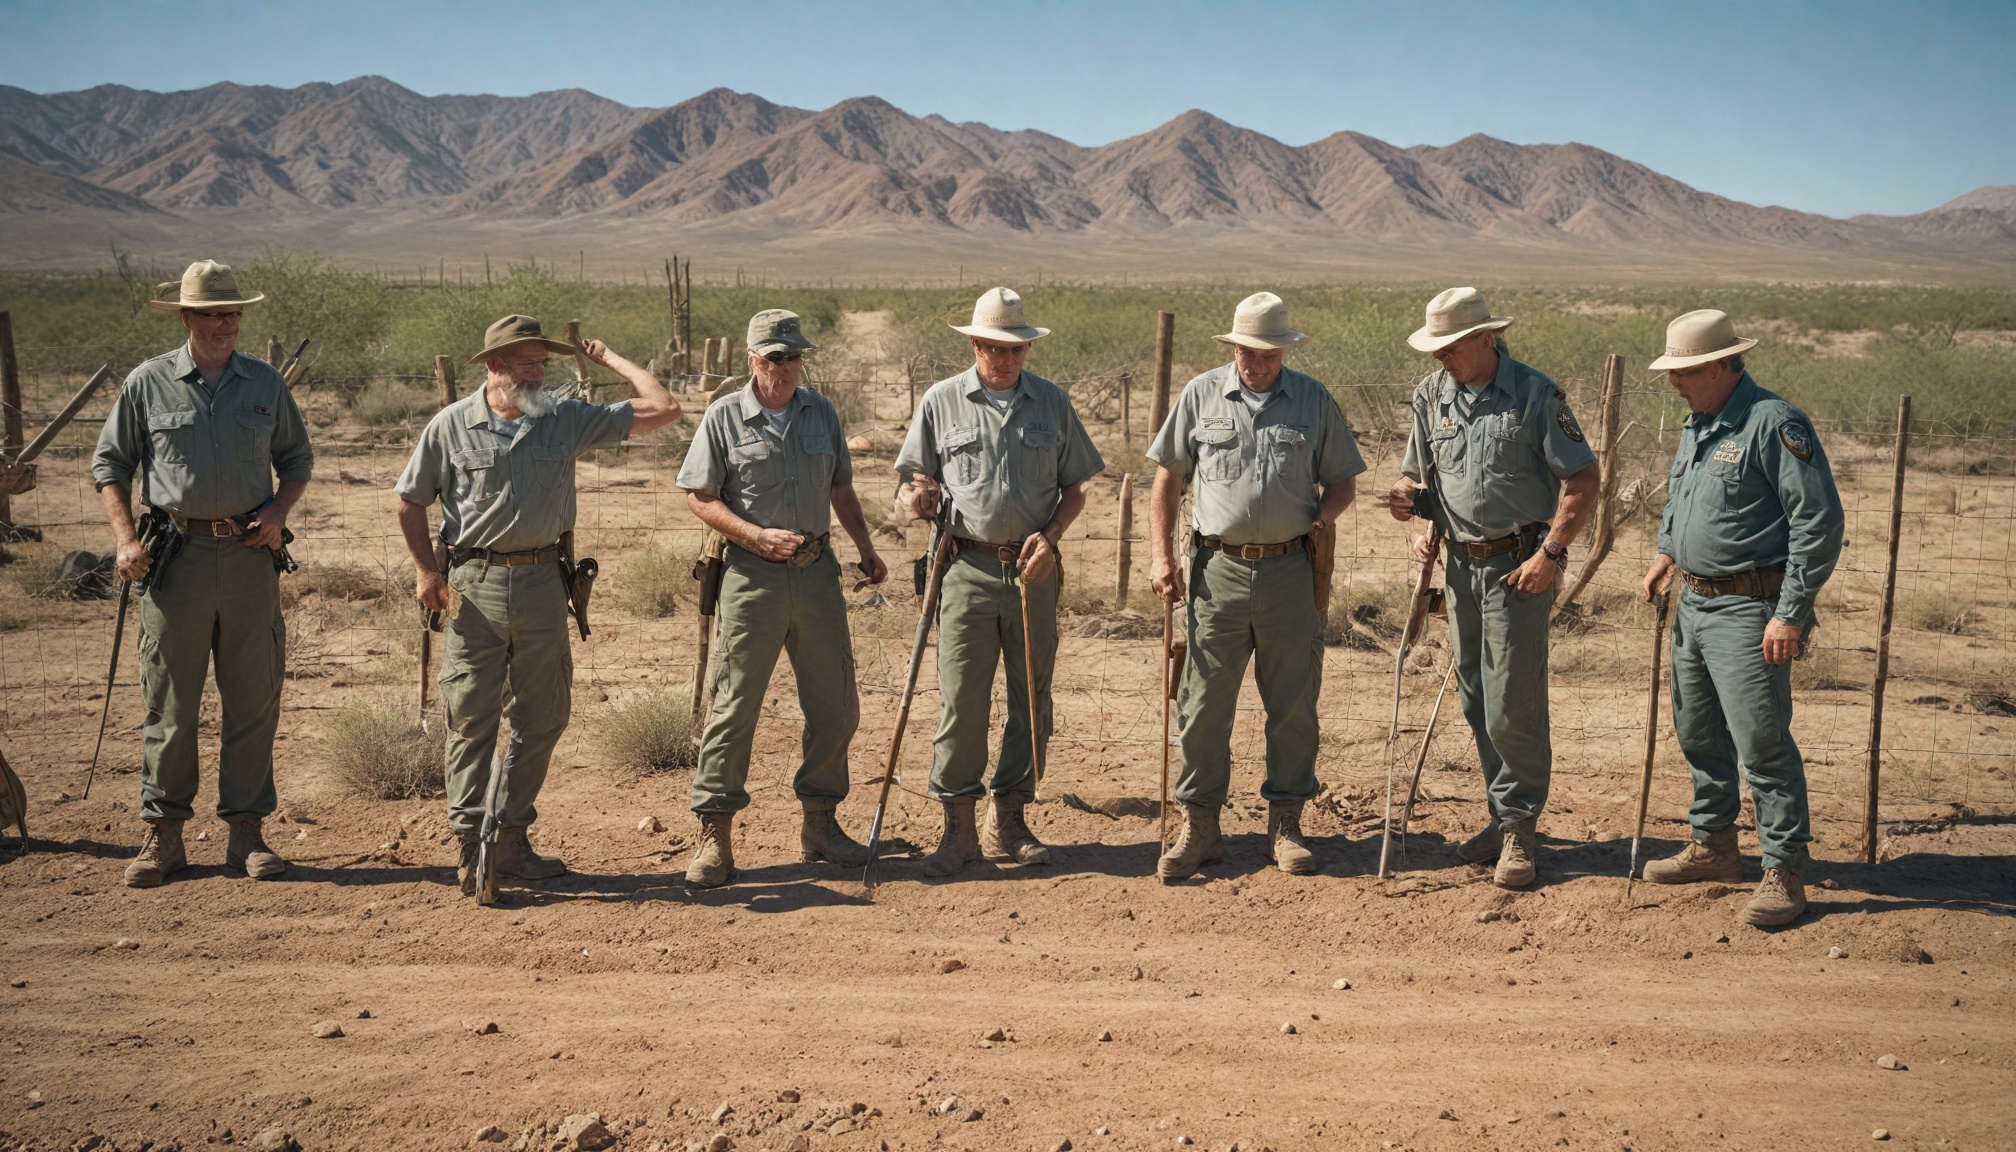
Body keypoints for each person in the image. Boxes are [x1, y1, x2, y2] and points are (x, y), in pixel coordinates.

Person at [394, 315, 678, 892]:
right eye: (527, 362)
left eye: (543, 363)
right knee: (471, 717)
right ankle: (471, 844)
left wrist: (610, 360)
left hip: (546, 585)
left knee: (544, 715)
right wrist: (427, 571)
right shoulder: (450, 427)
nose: (539, 372)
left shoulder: (563, 419)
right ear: (495, 365)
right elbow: (409, 502)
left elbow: (664, 409)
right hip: (473, 587)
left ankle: (510, 836)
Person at [92, 259, 314, 888]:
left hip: (248, 561)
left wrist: (277, 510)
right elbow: (110, 463)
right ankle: (163, 837)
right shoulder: (148, 383)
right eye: (214, 314)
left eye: (234, 314)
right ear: (186, 318)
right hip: (175, 562)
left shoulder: (265, 384)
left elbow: (297, 459)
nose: (226, 325)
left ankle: (246, 834)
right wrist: (125, 539)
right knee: (170, 704)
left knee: (252, 699)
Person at [1148, 292, 1366, 881]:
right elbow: (1167, 477)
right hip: (1214, 572)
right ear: (1234, 348)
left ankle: (1287, 824)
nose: (1257, 363)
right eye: (1248, 352)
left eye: (1268, 354)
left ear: (1284, 353)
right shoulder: (1200, 395)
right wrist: (1159, 555)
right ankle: (1199, 827)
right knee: (1201, 705)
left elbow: (1343, 480)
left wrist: (1320, 520)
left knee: (1293, 704)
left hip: (1290, 572)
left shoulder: (1313, 399)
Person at [1387, 287, 1599, 889]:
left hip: (1518, 567)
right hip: (1458, 569)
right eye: (1436, 349)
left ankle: (1520, 832)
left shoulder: (1534, 395)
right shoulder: (1431, 397)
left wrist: (1551, 555)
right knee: (1477, 698)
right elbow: (1420, 474)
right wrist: (1414, 510)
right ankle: (1501, 815)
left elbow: (1584, 478)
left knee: (1512, 703)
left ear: (1486, 339)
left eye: (1451, 347)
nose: (1442, 359)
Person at [1638, 309, 1843, 926]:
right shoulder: (1698, 423)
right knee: (1698, 731)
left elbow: (1818, 523)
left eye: (1686, 370)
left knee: (1761, 740)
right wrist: (1666, 551)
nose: (1674, 381)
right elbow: (1683, 497)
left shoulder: (1773, 423)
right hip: (1693, 604)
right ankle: (1715, 846)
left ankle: (1783, 869)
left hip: (1750, 609)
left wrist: (1790, 615)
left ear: (1725, 365)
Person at [674, 310, 889, 887]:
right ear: (752, 362)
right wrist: (752, 534)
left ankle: (820, 823)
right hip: (751, 579)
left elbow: (840, 484)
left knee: (836, 705)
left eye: (794, 357)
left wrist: (866, 548)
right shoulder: (723, 417)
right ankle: (714, 835)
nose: (785, 368)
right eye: (773, 359)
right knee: (734, 706)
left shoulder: (821, 412)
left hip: (817, 575)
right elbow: (699, 495)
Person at [895, 288, 1103, 876]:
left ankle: (1009, 817)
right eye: (991, 347)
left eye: (1014, 349)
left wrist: (1054, 534)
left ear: (1027, 349)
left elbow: (1077, 486)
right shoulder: (941, 401)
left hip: (1034, 569)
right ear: (974, 344)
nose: (1003, 359)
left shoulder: (1052, 404)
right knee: (962, 698)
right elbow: (912, 480)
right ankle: (957, 828)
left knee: (1031, 697)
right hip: (965, 567)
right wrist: (918, 496)